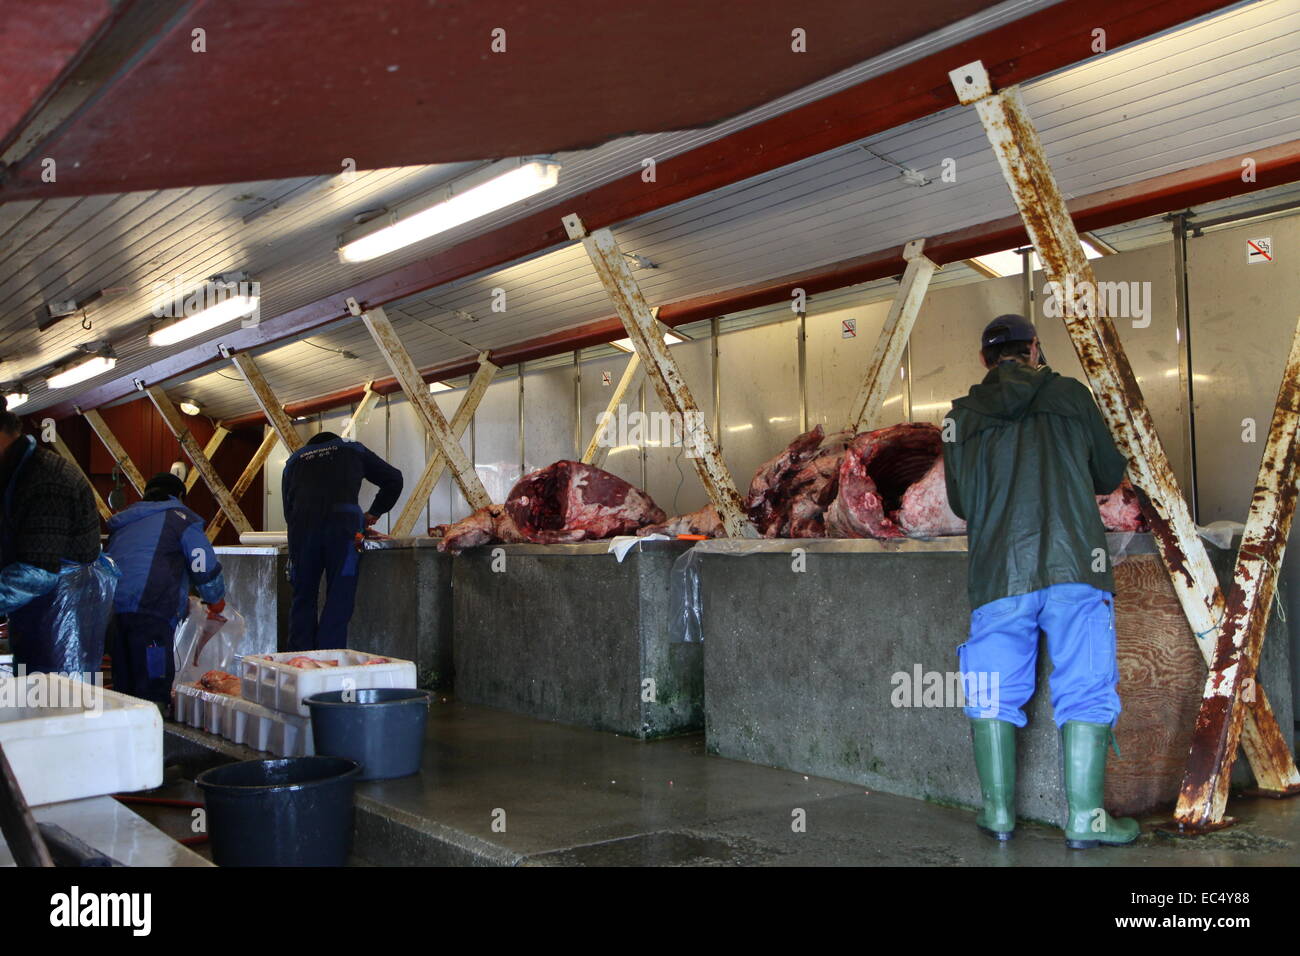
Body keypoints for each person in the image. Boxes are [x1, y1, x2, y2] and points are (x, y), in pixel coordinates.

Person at [941, 314, 1139, 850]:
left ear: (985, 360)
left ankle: (999, 813)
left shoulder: (957, 417)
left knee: (992, 691)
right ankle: (1085, 820)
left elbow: (959, 502)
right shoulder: (1071, 396)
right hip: (1075, 561)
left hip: (998, 571)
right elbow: (1105, 474)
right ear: (1035, 349)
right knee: (1086, 687)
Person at [0, 410, 110, 676]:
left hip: (65, 608)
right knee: (32, 692)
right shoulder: (11, 473)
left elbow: (37, 572)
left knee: (62, 698)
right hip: (33, 610)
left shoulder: (46, 479)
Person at [106, 472, 226, 709]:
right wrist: (215, 599)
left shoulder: (125, 523)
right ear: (179, 496)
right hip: (152, 610)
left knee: (124, 686)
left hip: (112, 611)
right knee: (153, 682)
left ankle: (123, 738)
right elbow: (202, 562)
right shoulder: (180, 519)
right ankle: (156, 736)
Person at [282, 431, 402, 651]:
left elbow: (288, 510)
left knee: (303, 596)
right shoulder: (352, 449)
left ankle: (299, 660)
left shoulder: (294, 459)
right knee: (339, 594)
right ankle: (328, 659)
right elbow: (394, 479)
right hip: (343, 527)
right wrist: (374, 512)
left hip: (302, 529)